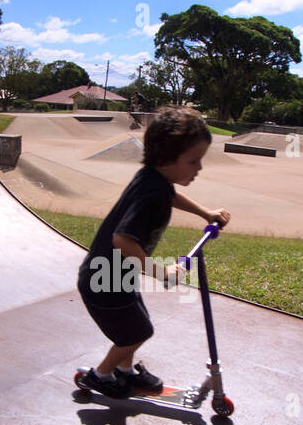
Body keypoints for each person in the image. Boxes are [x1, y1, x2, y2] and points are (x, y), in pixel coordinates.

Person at [77, 107, 231, 398]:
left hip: (115, 277)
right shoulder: (150, 193)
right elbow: (122, 239)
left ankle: (124, 372)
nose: (199, 168)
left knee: (135, 325)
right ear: (165, 158)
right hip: (103, 281)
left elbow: (171, 195)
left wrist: (204, 213)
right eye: (194, 161)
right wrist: (163, 271)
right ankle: (102, 375)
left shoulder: (154, 179)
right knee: (137, 332)